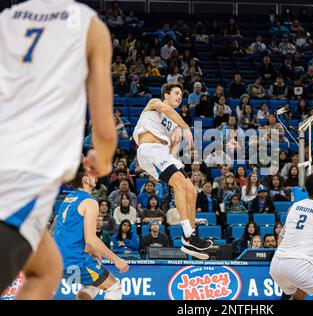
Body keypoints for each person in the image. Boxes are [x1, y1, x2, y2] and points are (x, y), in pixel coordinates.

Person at [0, 1, 117, 297]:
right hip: (20, 178)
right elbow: (104, 131)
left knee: (48, 268)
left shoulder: (6, 19)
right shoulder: (89, 25)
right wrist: (101, 160)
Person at [132, 83, 212, 260]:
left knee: (191, 190)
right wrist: (185, 127)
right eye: (176, 93)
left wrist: (177, 140)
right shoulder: (154, 103)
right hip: (149, 149)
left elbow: (172, 152)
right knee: (178, 183)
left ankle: (191, 238)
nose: (179, 97)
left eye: (182, 95)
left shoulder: (173, 126)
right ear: (166, 95)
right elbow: (169, 113)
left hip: (163, 154)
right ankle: (187, 234)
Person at [53, 166, 128, 300]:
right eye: (92, 174)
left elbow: (70, 233)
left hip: (58, 259)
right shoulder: (90, 202)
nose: (96, 176)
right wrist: (116, 260)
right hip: (75, 259)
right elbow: (90, 239)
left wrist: (91, 250)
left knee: (91, 287)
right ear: (86, 179)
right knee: (114, 287)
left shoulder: (68, 199)